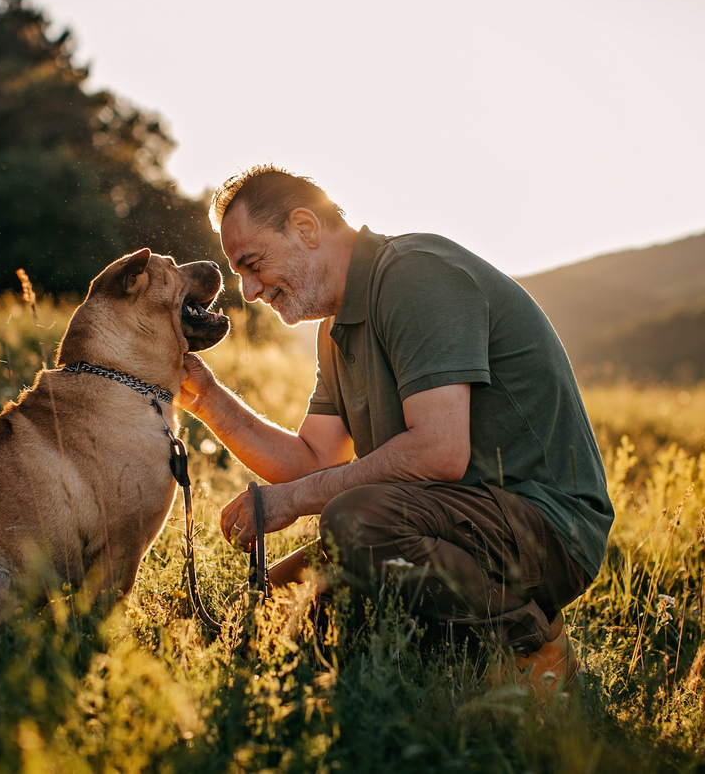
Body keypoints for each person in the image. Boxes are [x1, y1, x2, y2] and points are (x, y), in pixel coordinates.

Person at [177, 165, 612, 691]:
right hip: (446, 520)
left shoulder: (414, 275)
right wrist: (206, 398)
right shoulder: (334, 328)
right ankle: (446, 642)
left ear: (306, 228)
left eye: (253, 263)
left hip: (545, 528)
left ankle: (532, 645)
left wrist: (291, 501)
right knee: (267, 615)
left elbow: (438, 452)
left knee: (355, 521)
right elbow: (312, 459)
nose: (247, 291)